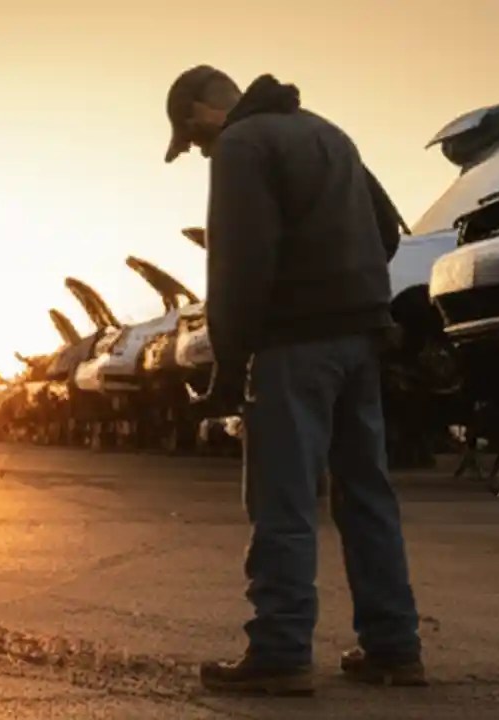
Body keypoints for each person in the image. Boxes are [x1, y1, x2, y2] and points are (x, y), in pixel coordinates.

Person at [163, 65, 424, 696]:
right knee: (366, 492)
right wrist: (345, 280)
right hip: (361, 338)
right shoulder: (327, 133)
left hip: (293, 344)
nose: (198, 150)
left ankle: (279, 651)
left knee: (282, 497)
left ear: (201, 112)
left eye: (190, 139)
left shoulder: (241, 145)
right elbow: (389, 230)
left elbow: (240, 262)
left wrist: (227, 366)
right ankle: (395, 647)